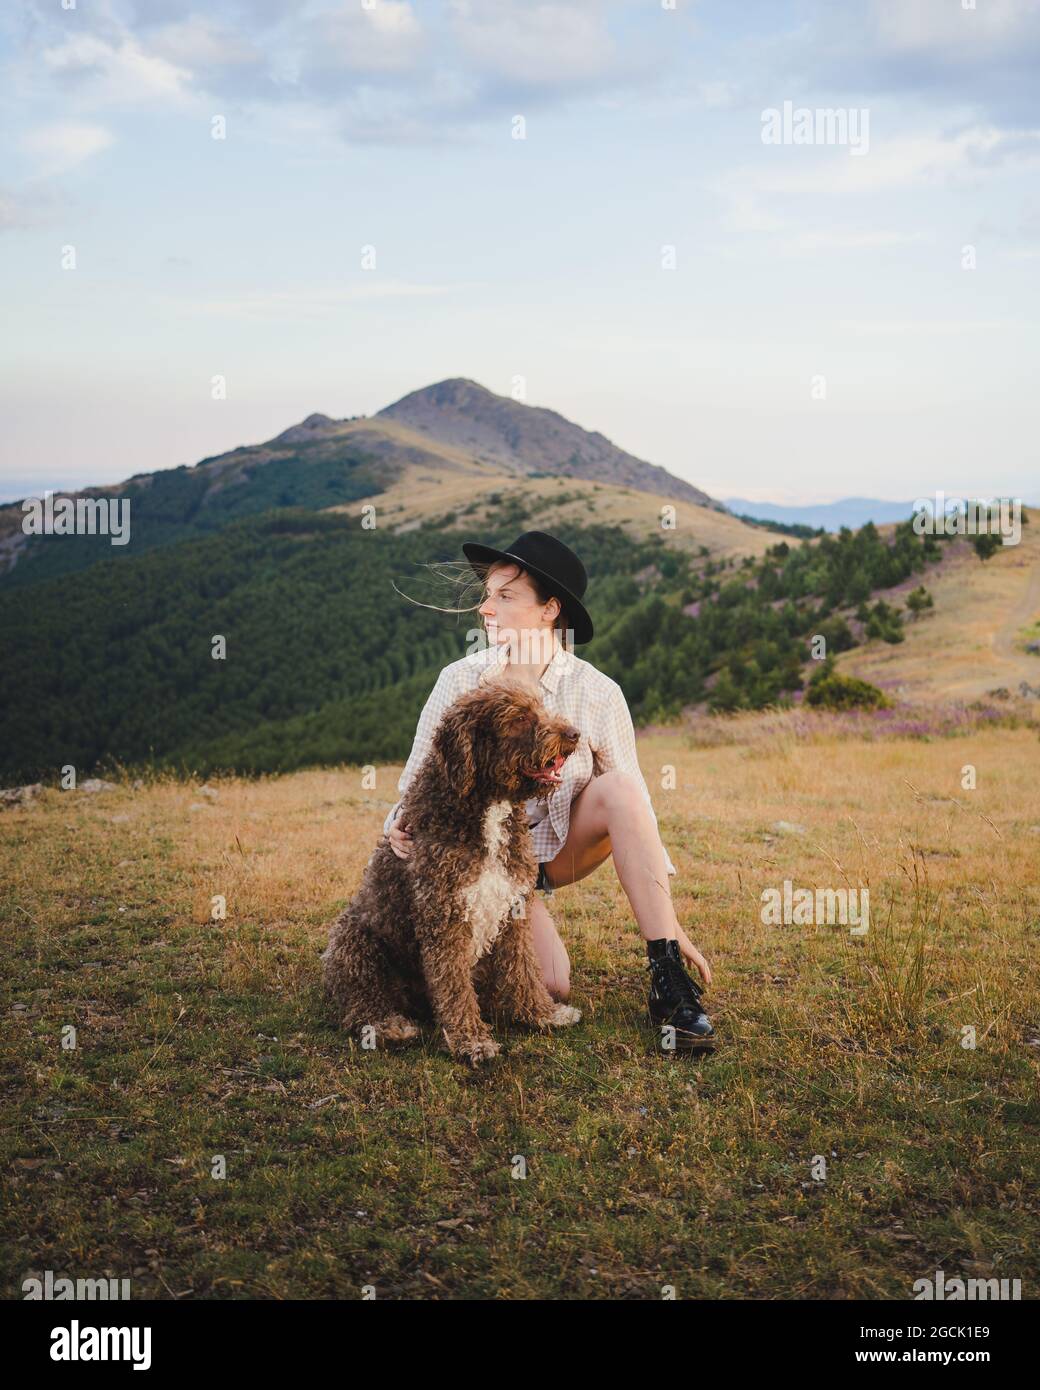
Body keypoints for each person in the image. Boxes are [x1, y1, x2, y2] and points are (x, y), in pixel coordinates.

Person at [383, 530, 714, 1051]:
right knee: (552, 984)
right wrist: (398, 825)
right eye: (487, 595)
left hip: (551, 857)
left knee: (622, 790)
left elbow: (640, 812)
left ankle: (668, 979)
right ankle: (438, 983)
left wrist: (671, 925)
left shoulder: (598, 692)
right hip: (473, 860)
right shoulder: (459, 680)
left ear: (549, 609)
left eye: (504, 596)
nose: (485, 608)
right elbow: (413, 785)